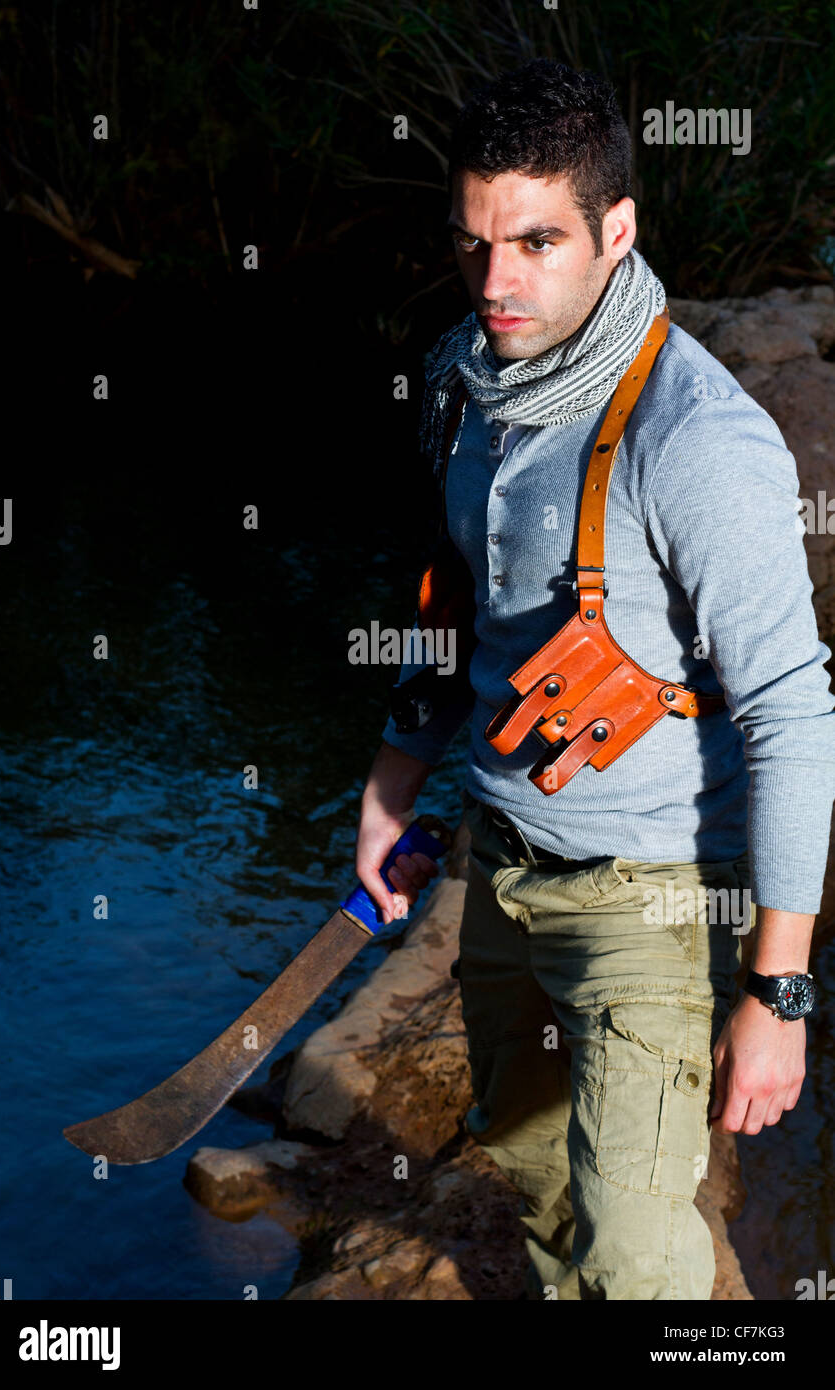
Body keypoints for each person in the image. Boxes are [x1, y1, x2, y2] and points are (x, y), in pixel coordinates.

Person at [355, 58, 835, 1300]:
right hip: (501, 864)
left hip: (654, 900)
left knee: (637, 1259)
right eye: (470, 245)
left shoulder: (701, 441)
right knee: (531, 1166)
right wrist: (398, 778)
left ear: (614, 232)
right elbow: (456, 592)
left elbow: (791, 708)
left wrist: (776, 989)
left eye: (533, 242)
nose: (495, 284)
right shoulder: (465, 383)